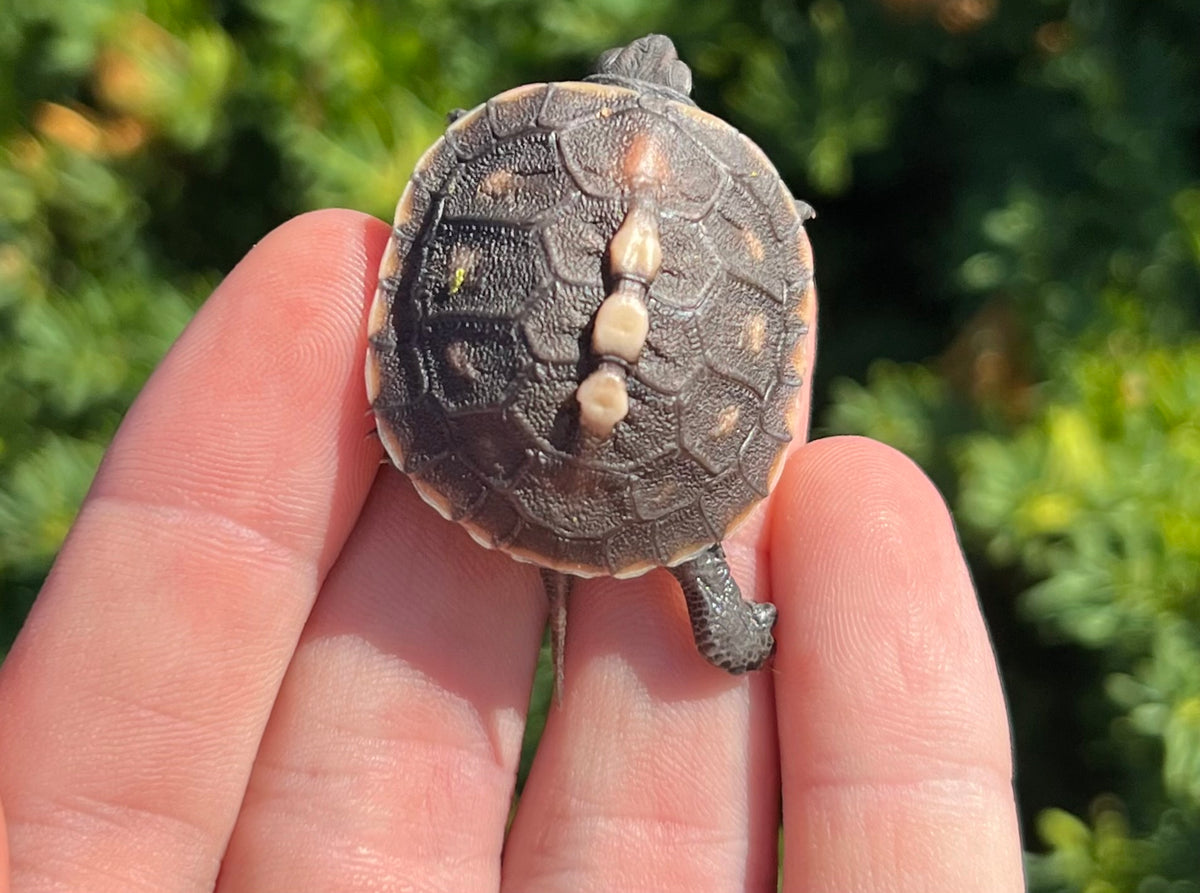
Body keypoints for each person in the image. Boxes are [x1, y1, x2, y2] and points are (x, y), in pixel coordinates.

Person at [0, 210, 1024, 891]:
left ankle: (671, 571)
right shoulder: (738, 205)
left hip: (483, 447)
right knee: (689, 529)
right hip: (662, 487)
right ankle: (711, 595)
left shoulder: (518, 143)